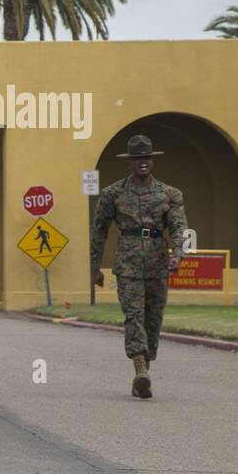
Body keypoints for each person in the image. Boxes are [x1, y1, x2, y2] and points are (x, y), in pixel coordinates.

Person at [90, 134, 188, 399]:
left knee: (153, 320)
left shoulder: (170, 194)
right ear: (130, 162)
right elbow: (99, 231)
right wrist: (94, 267)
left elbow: (179, 227)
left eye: (146, 158)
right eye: (137, 158)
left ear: (152, 161)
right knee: (134, 316)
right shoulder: (113, 194)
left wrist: (178, 254)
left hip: (158, 262)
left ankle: (142, 374)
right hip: (128, 264)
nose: (142, 162)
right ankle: (140, 368)